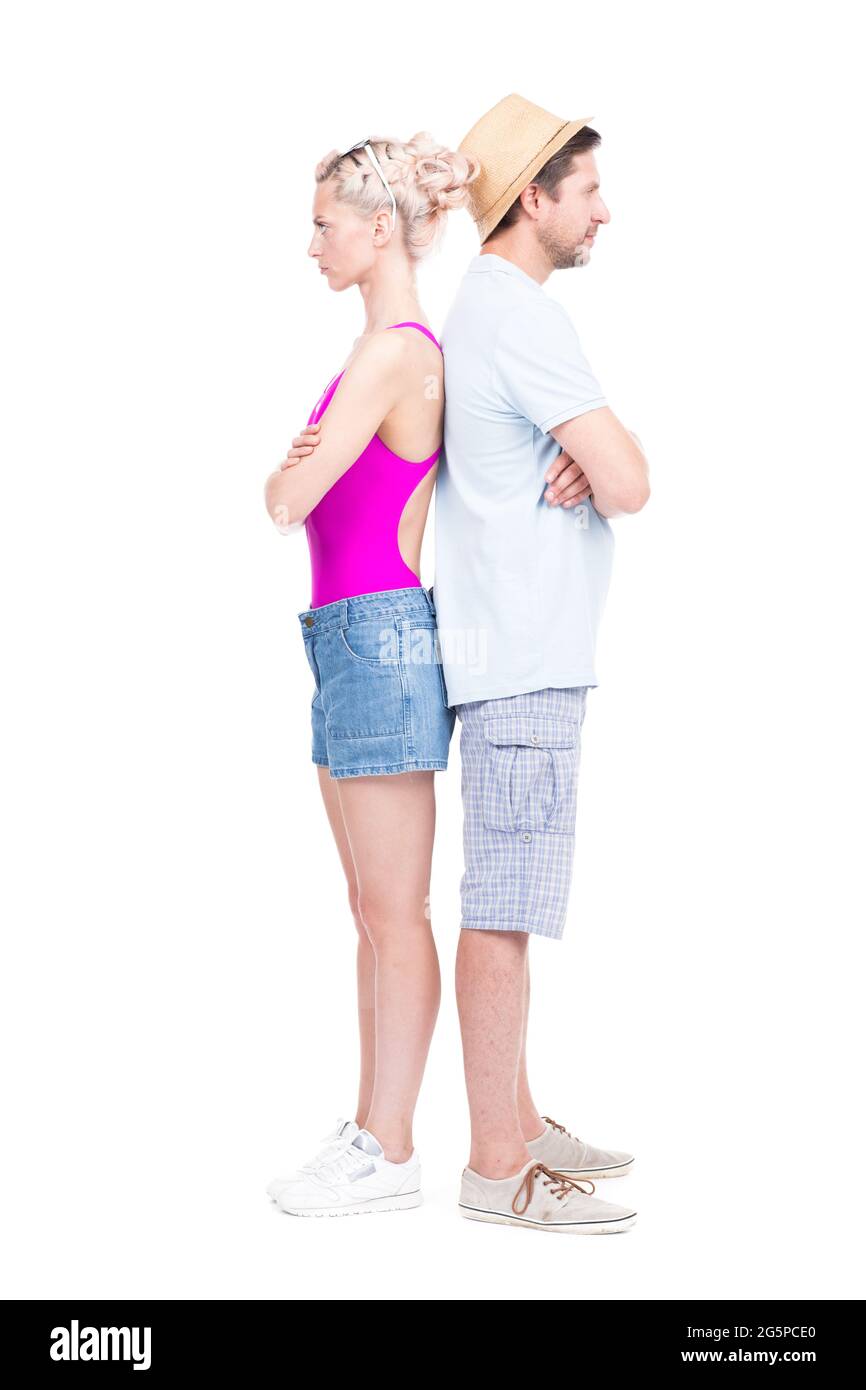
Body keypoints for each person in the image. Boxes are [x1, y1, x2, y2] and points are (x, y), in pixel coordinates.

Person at [433, 94, 651, 1234]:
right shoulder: (519, 315)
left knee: (506, 899)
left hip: (507, 648)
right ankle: (495, 1167)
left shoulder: (486, 310)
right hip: (521, 656)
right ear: (535, 197)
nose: (602, 213)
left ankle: (515, 1121)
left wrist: (574, 457)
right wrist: (590, 458)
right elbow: (627, 479)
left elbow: (587, 467)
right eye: (587, 193)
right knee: (504, 908)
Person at [262, 132, 479, 1217]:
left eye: (323, 224)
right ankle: (372, 1131)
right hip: (342, 636)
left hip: (384, 637)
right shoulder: (368, 353)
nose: (312, 244)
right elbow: (282, 490)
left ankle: (388, 1150)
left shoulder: (395, 351)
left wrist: (289, 471)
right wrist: (288, 475)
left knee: (394, 911)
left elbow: (287, 498)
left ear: (377, 227)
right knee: (368, 908)